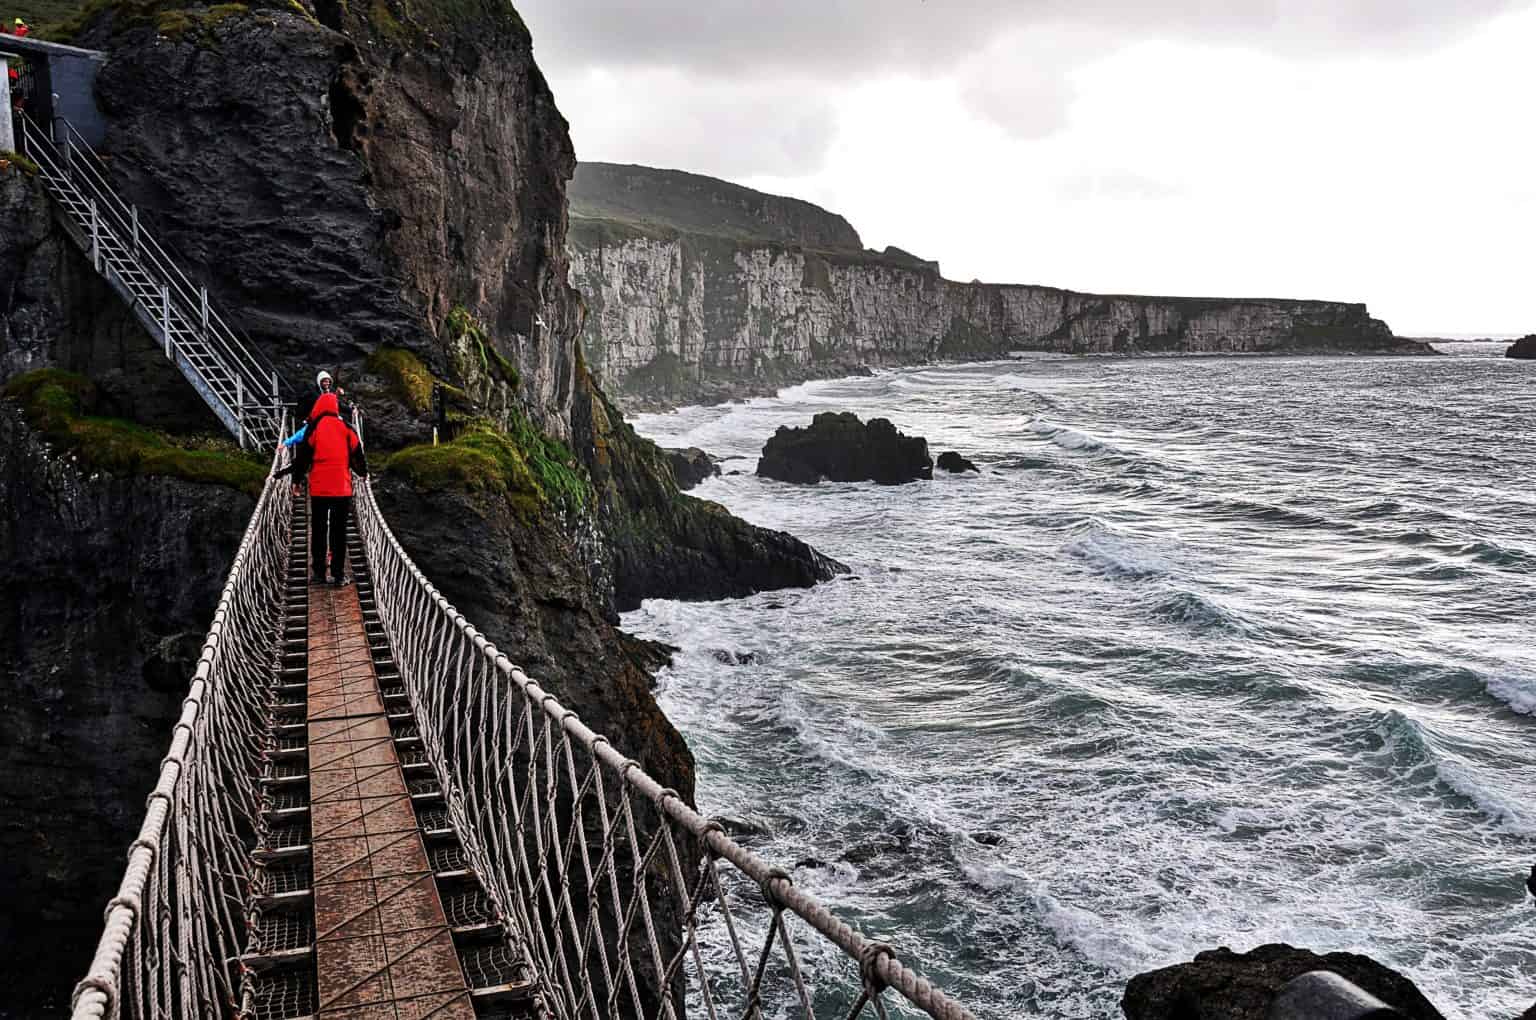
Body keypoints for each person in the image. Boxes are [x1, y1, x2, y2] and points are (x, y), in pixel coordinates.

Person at [289, 390, 367, 586]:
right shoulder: (346, 427)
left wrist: (296, 481)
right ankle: (339, 575)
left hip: (319, 490)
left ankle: (318, 573)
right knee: (339, 532)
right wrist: (363, 473)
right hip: (342, 489)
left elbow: (302, 458)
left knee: (318, 530)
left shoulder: (313, 429)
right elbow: (357, 453)